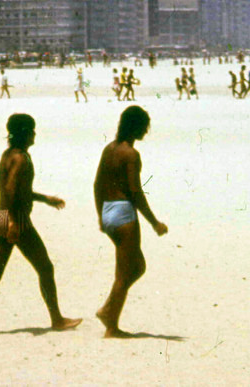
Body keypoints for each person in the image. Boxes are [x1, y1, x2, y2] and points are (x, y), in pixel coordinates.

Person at [0, 114, 82, 335]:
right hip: (16, 220)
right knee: (45, 268)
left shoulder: (8, 155)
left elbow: (18, 191)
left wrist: (46, 199)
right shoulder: (21, 158)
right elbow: (11, 190)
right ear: (24, 133)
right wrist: (13, 222)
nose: (35, 134)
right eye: (32, 130)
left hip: (0, 216)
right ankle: (57, 319)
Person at [94, 106, 168, 337]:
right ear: (135, 126)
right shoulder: (131, 155)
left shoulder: (109, 149)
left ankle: (109, 313)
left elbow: (97, 184)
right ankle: (110, 321)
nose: (146, 130)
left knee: (135, 267)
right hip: (124, 212)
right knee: (127, 271)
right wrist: (154, 222)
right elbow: (136, 193)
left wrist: (101, 215)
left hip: (108, 210)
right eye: (144, 125)